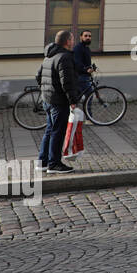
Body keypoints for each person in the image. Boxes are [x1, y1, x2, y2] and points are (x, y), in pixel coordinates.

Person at [36, 29, 81, 172]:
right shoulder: (64, 57)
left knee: (49, 131)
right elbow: (67, 82)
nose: (73, 42)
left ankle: (42, 162)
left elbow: (38, 76)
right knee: (58, 132)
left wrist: (46, 91)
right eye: (72, 39)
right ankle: (54, 163)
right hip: (59, 101)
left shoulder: (48, 56)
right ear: (67, 41)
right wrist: (73, 100)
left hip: (47, 100)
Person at [72, 29, 96, 100]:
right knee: (89, 95)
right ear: (81, 37)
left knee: (78, 97)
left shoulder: (86, 48)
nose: (88, 37)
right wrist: (86, 69)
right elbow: (77, 62)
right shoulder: (78, 48)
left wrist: (91, 67)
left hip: (85, 76)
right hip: (80, 76)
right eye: (85, 36)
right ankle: (86, 108)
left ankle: (73, 106)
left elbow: (85, 62)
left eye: (89, 36)